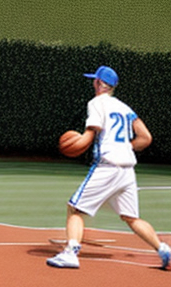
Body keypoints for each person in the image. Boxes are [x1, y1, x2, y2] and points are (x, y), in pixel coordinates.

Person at [47, 65, 171, 269]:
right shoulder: (125, 108)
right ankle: (164, 250)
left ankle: (71, 253)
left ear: (99, 83)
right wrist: (124, 148)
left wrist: (75, 145)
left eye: (94, 80)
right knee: (131, 217)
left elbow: (91, 132)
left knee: (74, 209)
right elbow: (145, 138)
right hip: (127, 169)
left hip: (108, 165)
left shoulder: (96, 103)